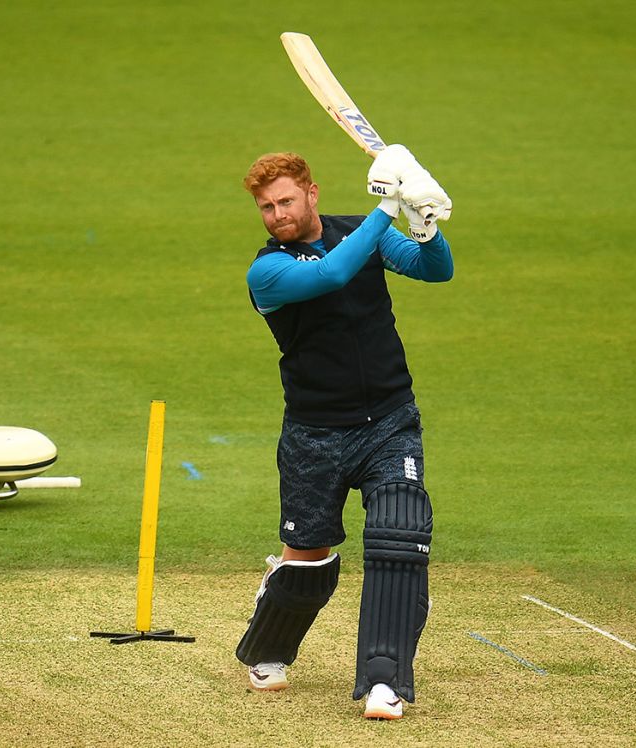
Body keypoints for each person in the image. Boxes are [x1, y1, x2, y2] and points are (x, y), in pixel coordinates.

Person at [234, 145, 454, 720]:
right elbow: (331, 274)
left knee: (400, 533)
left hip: (390, 420)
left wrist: (425, 225)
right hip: (315, 433)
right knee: (309, 562)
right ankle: (269, 644)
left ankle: (384, 681)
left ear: (312, 193)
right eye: (266, 207)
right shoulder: (267, 271)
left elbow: (437, 270)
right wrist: (388, 205)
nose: (277, 214)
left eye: (286, 200)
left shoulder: (360, 231)